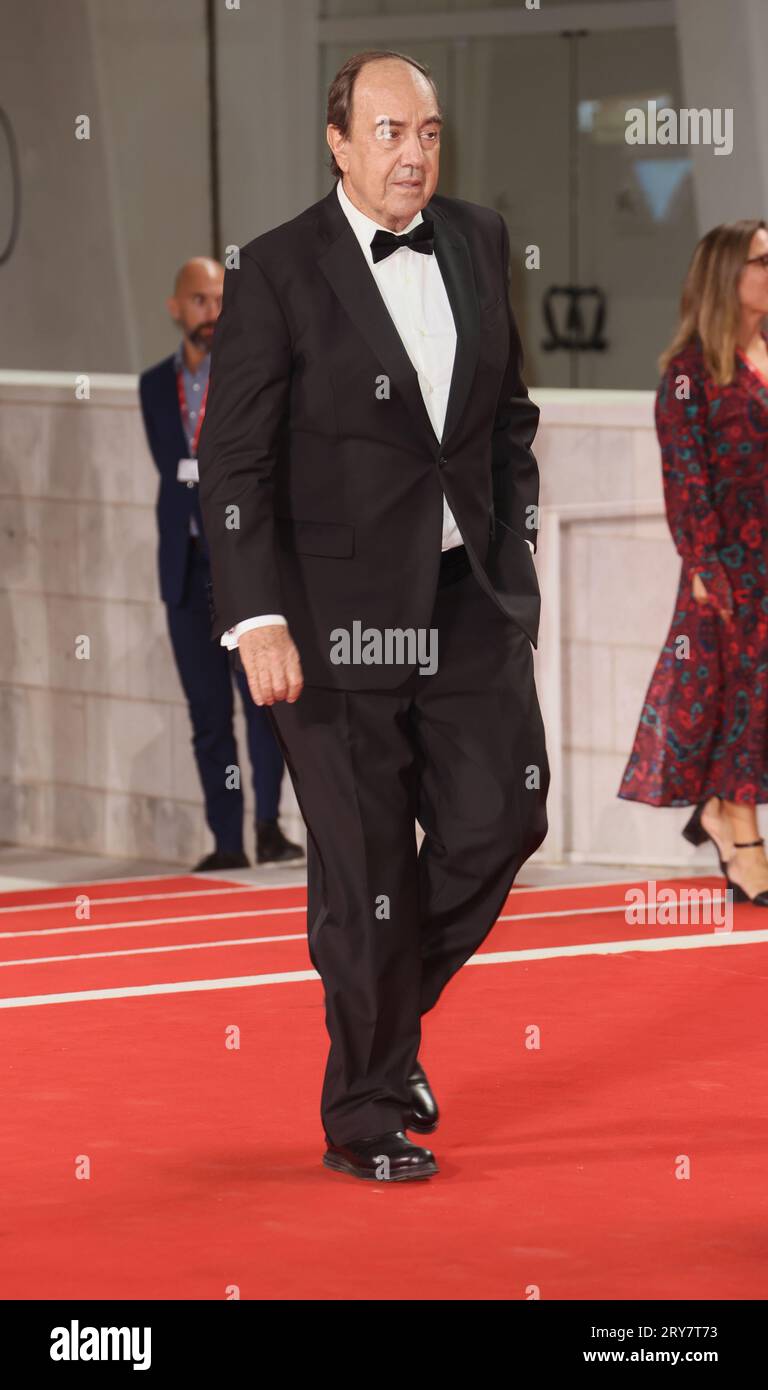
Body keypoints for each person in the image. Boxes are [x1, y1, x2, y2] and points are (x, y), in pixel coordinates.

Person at [198, 50, 549, 1180]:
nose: (414, 154)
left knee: (505, 821)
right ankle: (364, 1112)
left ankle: (388, 1032)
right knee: (365, 870)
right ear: (340, 142)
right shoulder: (278, 270)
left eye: (430, 133)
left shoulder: (482, 239)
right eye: (391, 132)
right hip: (328, 623)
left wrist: (517, 551)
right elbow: (235, 461)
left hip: (465, 605)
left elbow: (509, 422)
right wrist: (255, 618)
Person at [619, 220, 768, 906]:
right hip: (729, 568)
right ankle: (742, 840)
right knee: (739, 702)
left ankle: (719, 814)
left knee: (753, 706)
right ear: (727, 276)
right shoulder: (687, 375)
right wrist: (708, 569)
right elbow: (686, 481)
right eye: (763, 261)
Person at [139, 258, 304, 871]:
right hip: (184, 569)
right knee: (207, 716)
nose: (213, 313)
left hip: (243, 572)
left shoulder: (248, 372)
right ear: (176, 307)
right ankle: (226, 840)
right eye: (201, 301)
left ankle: (268, 825)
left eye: (220, 300)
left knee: (264, 707)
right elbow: (171, 467)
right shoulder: (155, 385)